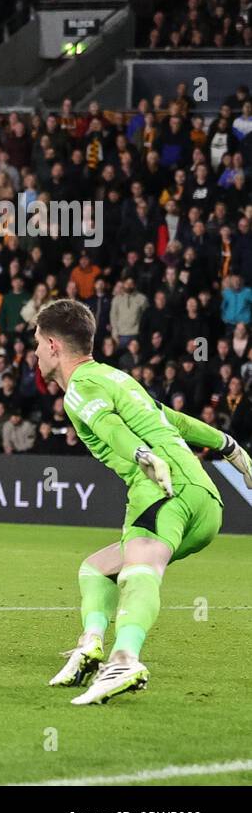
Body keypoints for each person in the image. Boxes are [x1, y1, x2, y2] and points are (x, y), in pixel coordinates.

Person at [36, 299, 252, 704]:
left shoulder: (79, 388)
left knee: (140, 570)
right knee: (97, 569)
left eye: (35, 343)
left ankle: (123, 659)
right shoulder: (118, 378)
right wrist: (229, 445)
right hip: (204, 499)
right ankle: (90, 644)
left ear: (52, 345)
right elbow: (173, 419)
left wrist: (143, 457)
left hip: (161, 489)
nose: (33, 353)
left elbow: (107, 425)